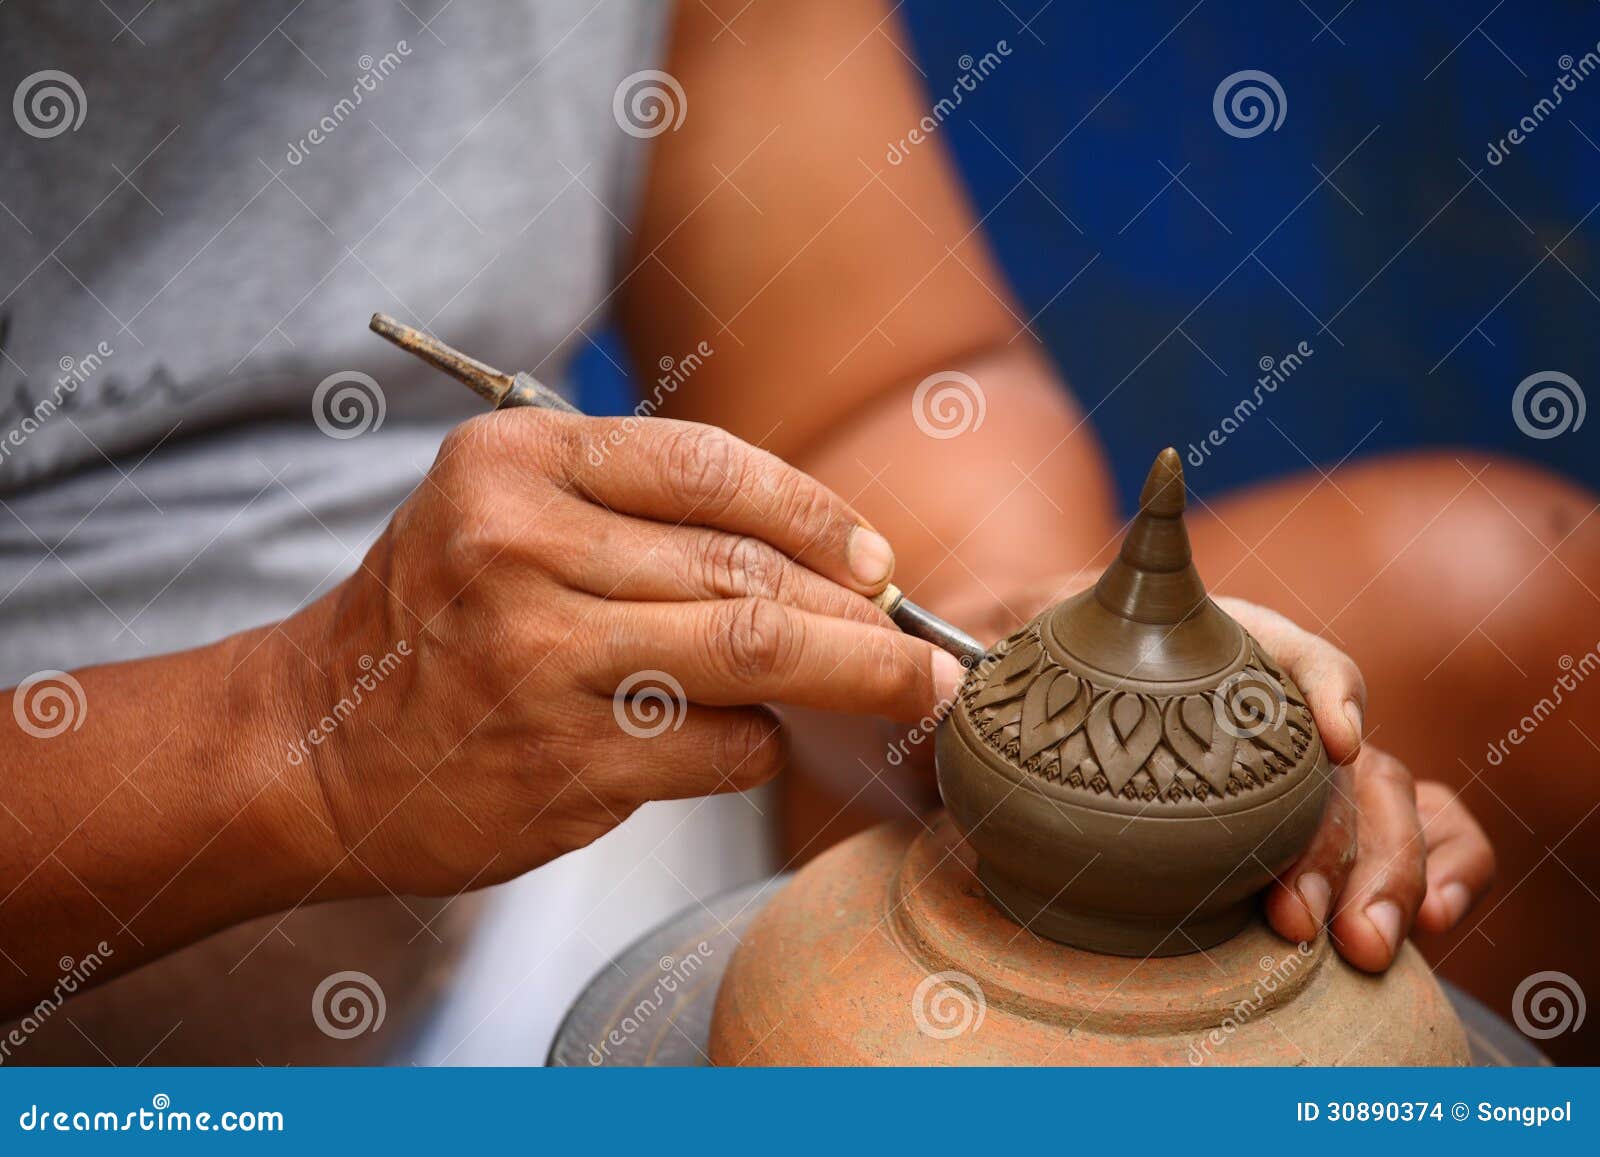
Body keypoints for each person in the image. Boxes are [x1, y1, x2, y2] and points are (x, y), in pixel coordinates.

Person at [1, 1, 1497, 1064]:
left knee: (1498, 615)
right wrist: (304, 738)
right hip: (107, 936)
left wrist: (994, 671)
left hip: (563, 788)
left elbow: (873, 387)